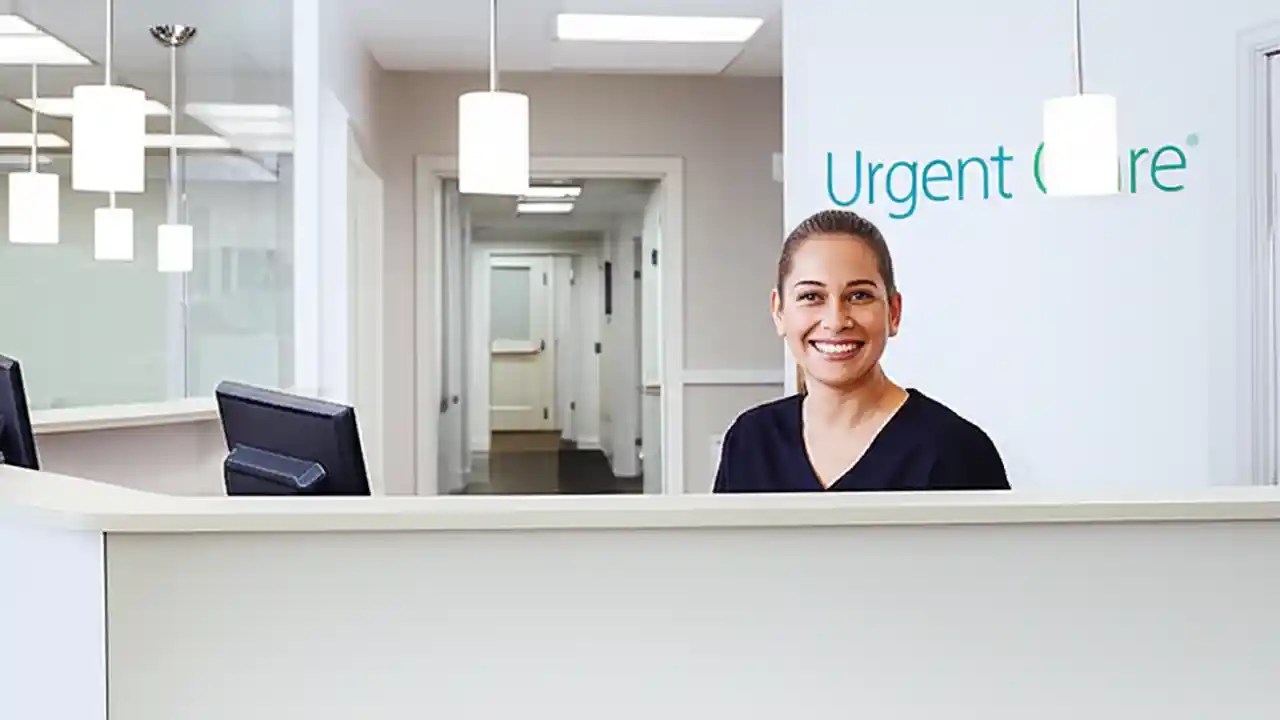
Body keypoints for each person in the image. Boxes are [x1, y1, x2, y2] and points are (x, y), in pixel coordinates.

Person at [713, 209, 1009, 493]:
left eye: (859, 296)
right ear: (779, 312)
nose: (835, 321)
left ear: (893, 312)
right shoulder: (750, 441)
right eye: (811, 296)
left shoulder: (955, 449)